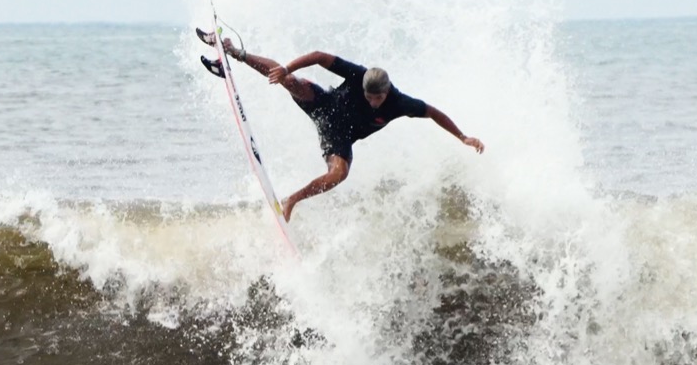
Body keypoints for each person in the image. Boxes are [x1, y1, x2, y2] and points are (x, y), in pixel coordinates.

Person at [197, 28, 484, 221]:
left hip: (340, 136)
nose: (373, 102)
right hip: (324, 104)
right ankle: (232, 52)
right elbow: (320, 57)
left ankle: (291, 200)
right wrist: (286, 67)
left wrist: (462, 137)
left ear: (386, 92)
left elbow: (434, 112)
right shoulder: (358, 74)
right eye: (369, 97)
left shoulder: (400, 103)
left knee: (338, 175)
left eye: (377, 98)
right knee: (291, 81)